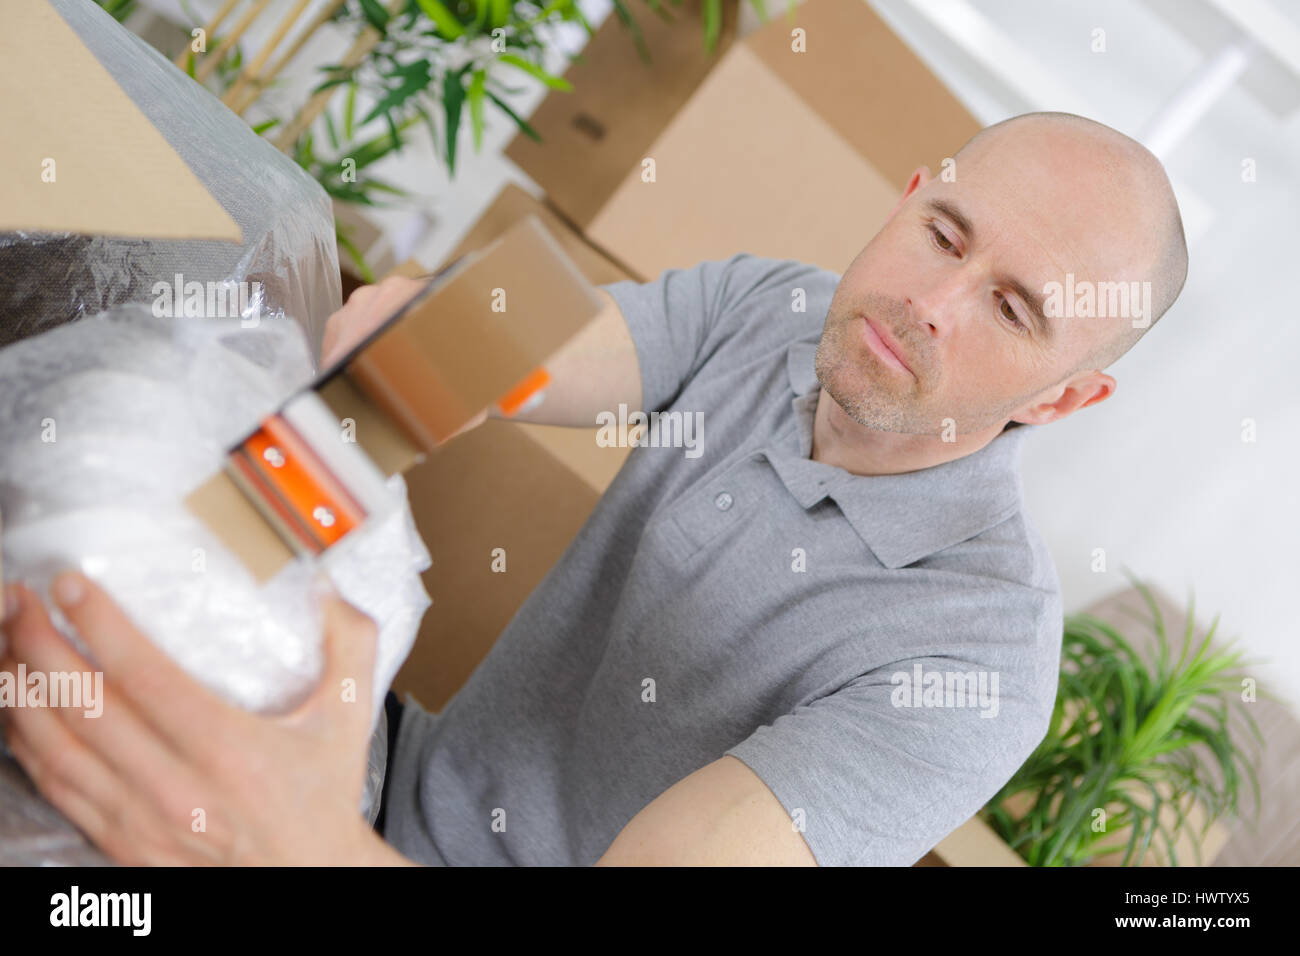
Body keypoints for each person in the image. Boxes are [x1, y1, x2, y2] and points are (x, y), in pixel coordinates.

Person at [0, 111, 1188, 866]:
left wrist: (292, 838)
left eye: (1011, 308)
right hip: (368, 771)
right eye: (943, 234)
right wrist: (415, 338)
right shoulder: (770, 309)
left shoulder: (977, 663)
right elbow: (515, 345)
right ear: (907, 195)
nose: (929, 302)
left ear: (1063, 399)